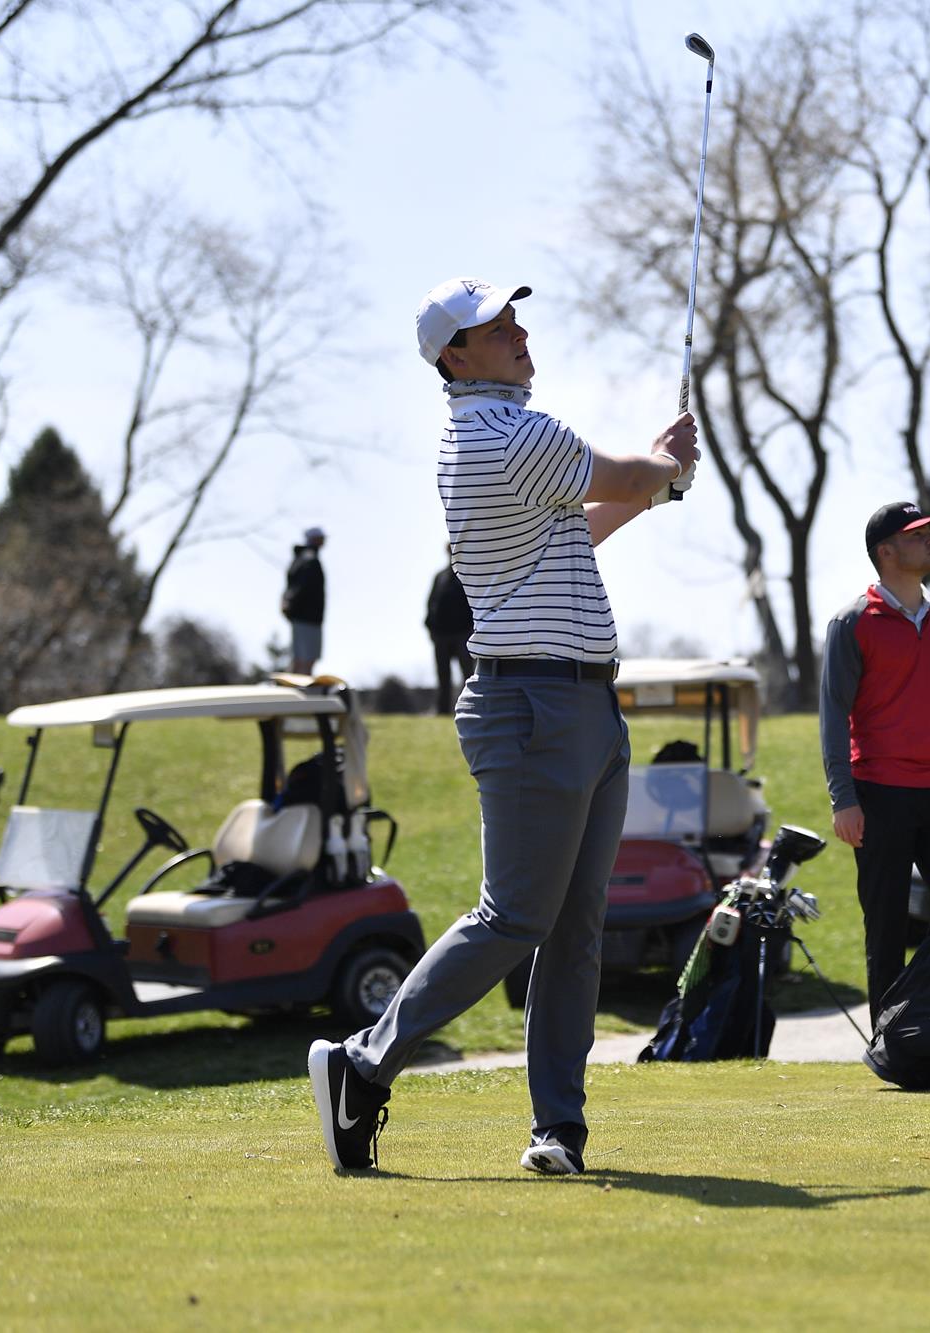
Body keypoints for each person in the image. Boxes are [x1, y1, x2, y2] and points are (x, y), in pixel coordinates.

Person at [309, 277, 700, 1174]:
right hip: (531, 704)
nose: (519, 332)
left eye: (515, 317)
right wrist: (662, 466)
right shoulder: (506, 434)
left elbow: (592, 522)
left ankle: (557, 1128)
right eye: (495, 326)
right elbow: (628, 477)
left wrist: (661, 482)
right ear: (454, 355)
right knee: (516, 915)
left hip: (586, 700)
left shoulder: (508, 436)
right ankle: (362, 1064)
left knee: (576, 927)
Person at [820, 501, 930, 1023]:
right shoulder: (853, 621)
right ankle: (890, 1040)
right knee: (887, 927)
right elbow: (832, 715)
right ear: (886, 552)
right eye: (919, 535)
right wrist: (843, 798)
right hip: (879, 794)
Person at [425, 548, 474, 715]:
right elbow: (431, 604)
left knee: (468, 675)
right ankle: (443, 711)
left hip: (464, 634)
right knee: (443, 676)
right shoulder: (440, 577)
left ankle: (469, 709)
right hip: (441, 635)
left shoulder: (468, 575)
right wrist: (430, 628)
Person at [282, 526, 326, 675]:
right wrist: (291, 604)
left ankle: (294, 692)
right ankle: (298, 695)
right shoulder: (309, 559)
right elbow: (299, 586)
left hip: (305, 616)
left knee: (301, 658)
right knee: (305, 660)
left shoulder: (303, 558)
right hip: (307, 617)